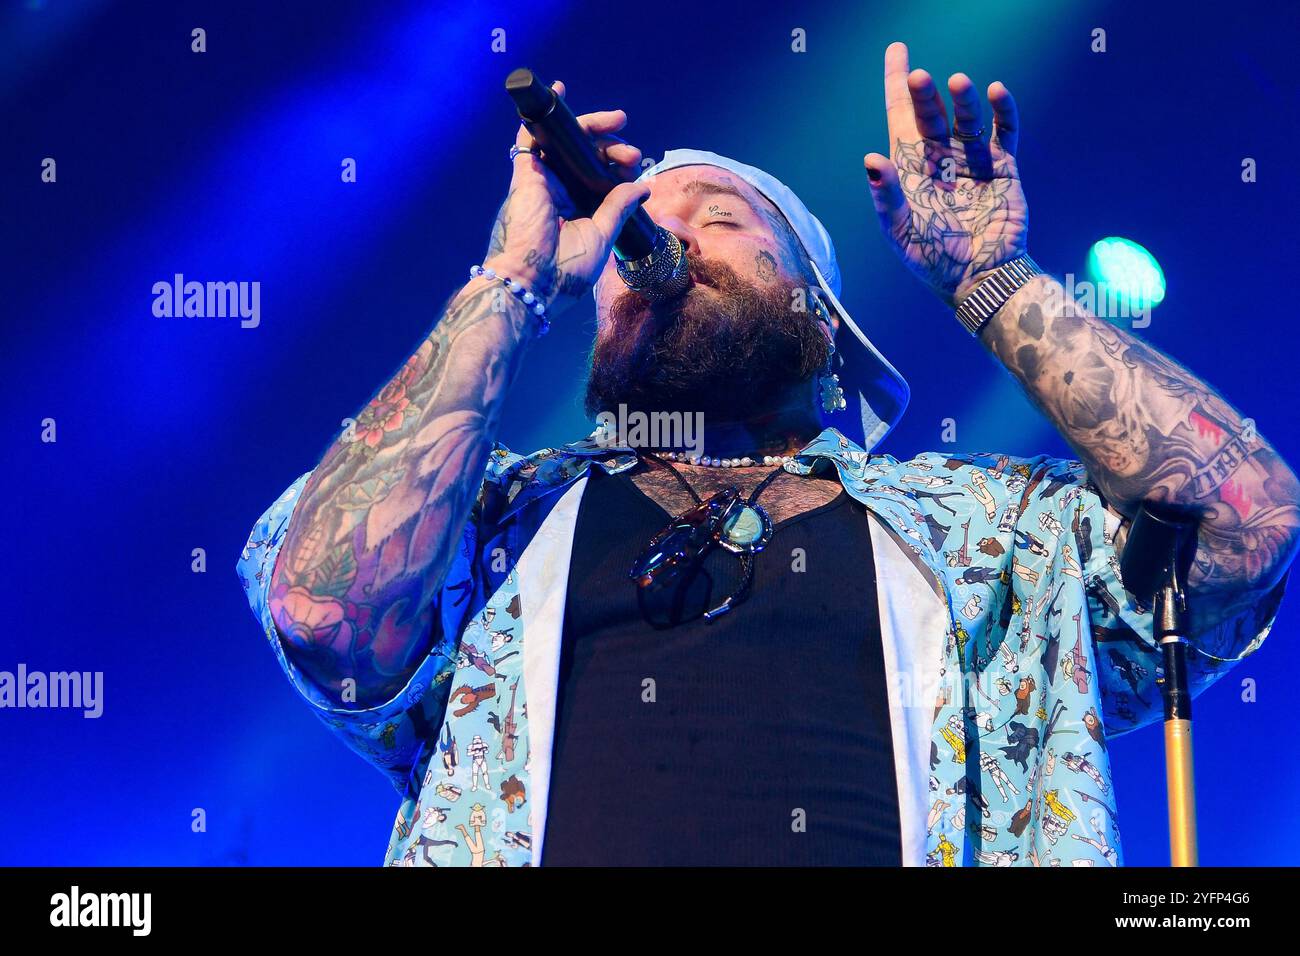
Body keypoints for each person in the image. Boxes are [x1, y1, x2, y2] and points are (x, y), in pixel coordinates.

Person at [237, 43, 1298, 866]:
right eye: (638, 228)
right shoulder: (499, 521)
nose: (667, 243)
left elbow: (1246, 523)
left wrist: (990, 279)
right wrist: (510, 279)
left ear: (824, 321)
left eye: (722, 217)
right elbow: (328, 607)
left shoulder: (996, 535)